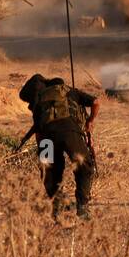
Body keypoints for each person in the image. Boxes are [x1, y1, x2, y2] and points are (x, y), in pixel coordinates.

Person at [18, 73, 100, 220]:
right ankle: (82, 208)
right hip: (69, 132)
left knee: (48, 171)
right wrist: (90, 121)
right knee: (84, 166)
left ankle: (56, 207)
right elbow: (96, 102)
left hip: (46, 136)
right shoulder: (69, 91)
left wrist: (43, 155)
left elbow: (38, 131)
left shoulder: (40, 98)